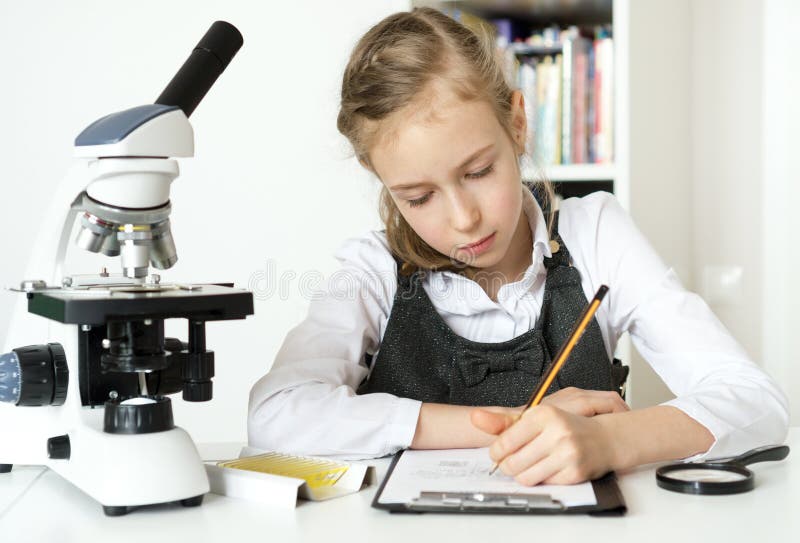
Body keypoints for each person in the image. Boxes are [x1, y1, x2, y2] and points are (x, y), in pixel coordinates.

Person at [248, 7, 789, 486]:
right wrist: (513, 424)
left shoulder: (595, 233)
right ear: (379, 177)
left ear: (518, 123)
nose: (464, 220)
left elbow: (755, 402)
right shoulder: (371, 269)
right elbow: (277, 413)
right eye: (418, 197)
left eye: (479, 171)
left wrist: (612, 441)